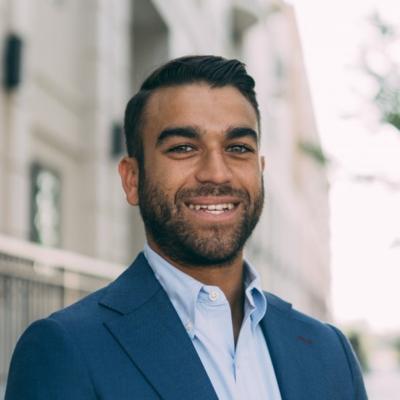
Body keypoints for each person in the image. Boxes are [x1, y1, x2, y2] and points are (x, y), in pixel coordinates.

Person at [5, 56, 368, 400]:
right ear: (132, 179)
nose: (217, 173)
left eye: (238, 147)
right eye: (183, 148)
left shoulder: (328, 351)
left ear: (260, 170)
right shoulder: (65, 349)